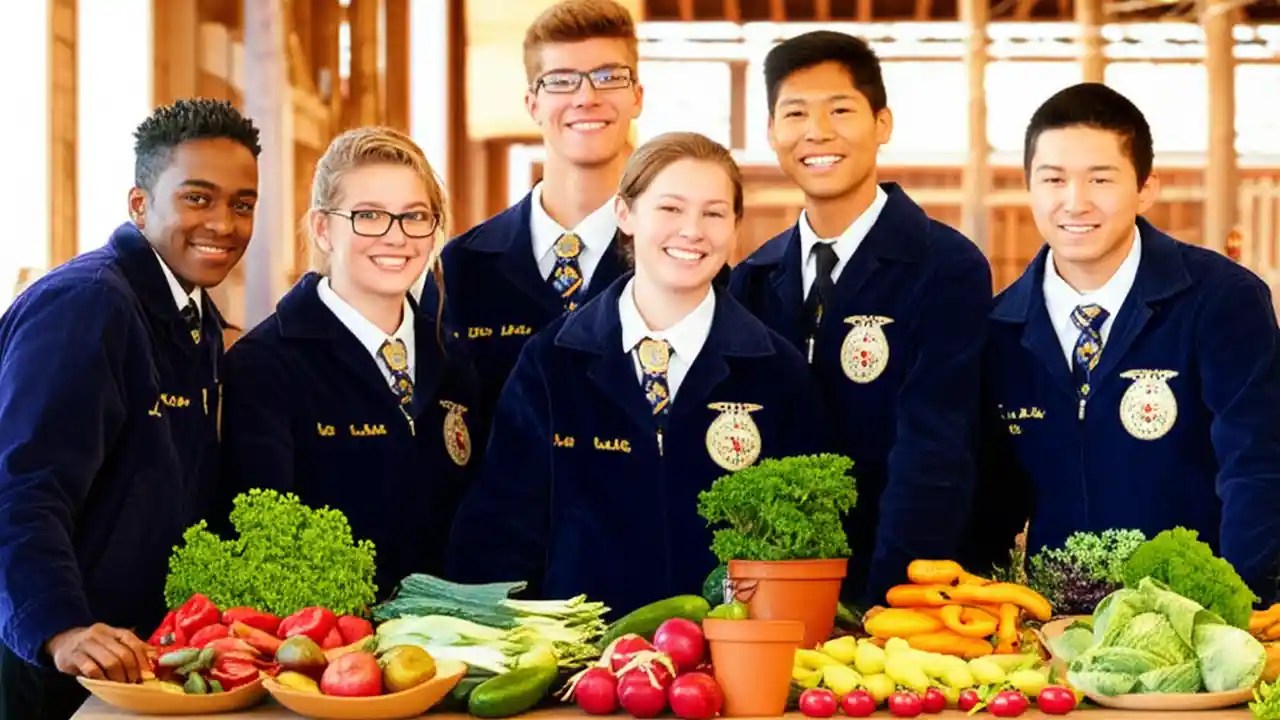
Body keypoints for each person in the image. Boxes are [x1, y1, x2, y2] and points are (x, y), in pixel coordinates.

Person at [447, 132, 822, 617]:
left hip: (724, 659)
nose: (692, 231)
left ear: (734, 227)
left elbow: (809, 545)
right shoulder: (551, 361)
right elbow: (502, 527)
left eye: (713, 213)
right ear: (624, 214)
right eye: (670, 209)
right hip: (581, 673)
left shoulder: (777, 370)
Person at [0, 98, 260, 719]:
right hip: (54, 666)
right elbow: (22, 488)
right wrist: (60, 629)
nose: (223, 223)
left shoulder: (195, 318)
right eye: (198, 198)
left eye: (242, 203)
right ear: (139, 204)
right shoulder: (87, 307)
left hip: (137, 658)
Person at [969, 83, 1280, 600]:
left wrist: (1235, 613)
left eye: (1100, 178)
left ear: (1145, 188)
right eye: (1053, 179)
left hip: (1195, 624)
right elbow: (991, 501)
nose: (1075, 202)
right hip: (1056, 631)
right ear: (1029, 188)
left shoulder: (1223, 301)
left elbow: (1257, 468)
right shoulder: (998, 327)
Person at [728, 31, 991, 606]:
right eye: (794, 113)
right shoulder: (750, 278)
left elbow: (935, 448)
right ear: (772, 132)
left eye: (840, 110)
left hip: (900, 603)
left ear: (882, 123)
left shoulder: (945, 267)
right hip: (775, 596)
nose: (817, 132)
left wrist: (886, 606)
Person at [220, 127, 480, 596]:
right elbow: (264, 539)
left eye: (414, 216)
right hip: (333, 650)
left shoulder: (453, 358)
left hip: (450, 646)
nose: (396, 237)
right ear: (323, 227)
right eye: (369, 216)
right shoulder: (265, 366)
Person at [423, 0, 643, 418]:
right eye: (561, 81)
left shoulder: (674, 257)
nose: (586, 97)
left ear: (636, 96)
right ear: (532, 103)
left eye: (608, 76)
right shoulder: (462, 268)